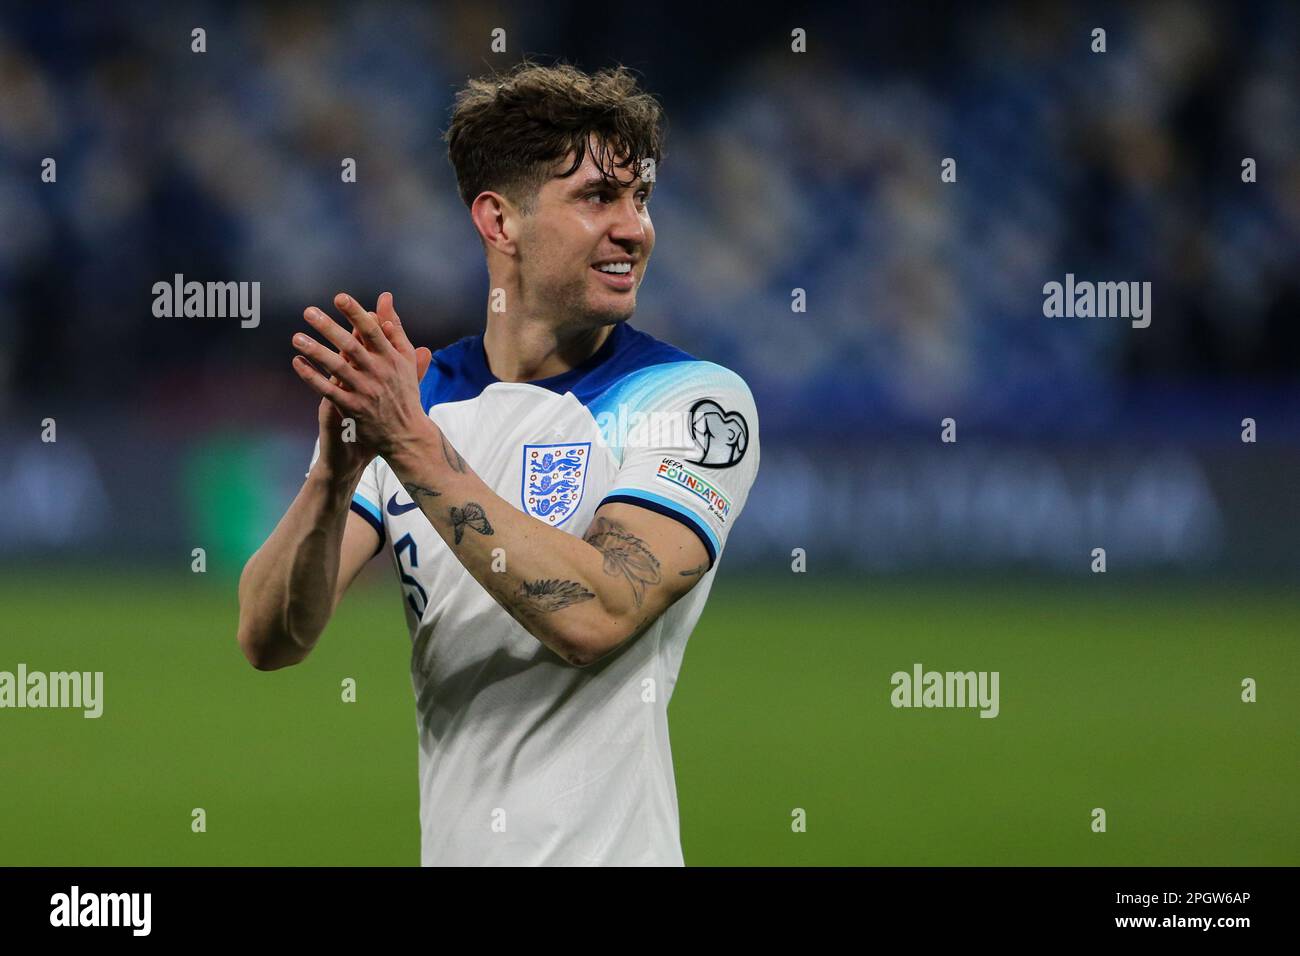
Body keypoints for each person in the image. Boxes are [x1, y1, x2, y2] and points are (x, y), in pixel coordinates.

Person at [236, 61, 759, 866]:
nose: (634, 227)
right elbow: (271, 637)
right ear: (499, 220)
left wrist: (408, 446)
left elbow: (597, 615)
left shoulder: (688, 401)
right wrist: (333, 478)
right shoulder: (416, 395)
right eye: (597, 197)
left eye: (640, 197)